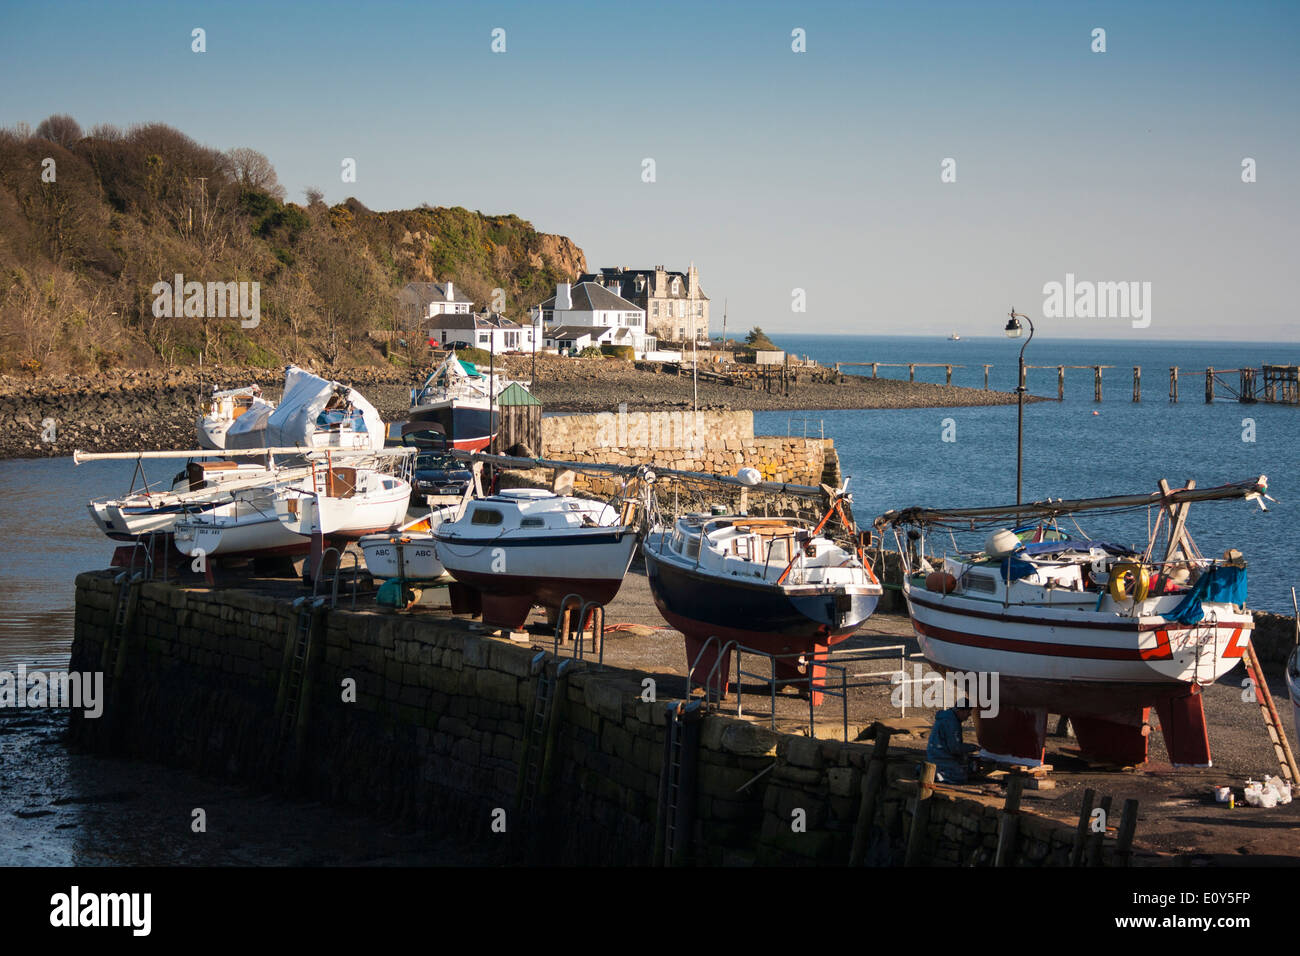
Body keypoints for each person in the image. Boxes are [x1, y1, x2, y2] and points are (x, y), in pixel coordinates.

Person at [926, 700, 979, 783]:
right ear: (960, 711)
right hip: (940, 756)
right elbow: (955, 748)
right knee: (961, 776)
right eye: (967, 713)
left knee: (966, 766)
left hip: (936, 754)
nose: (967, 717)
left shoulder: (948, 717)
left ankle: (937, 771)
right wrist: (973, 747)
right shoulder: (951, 723)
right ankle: (938, 774)